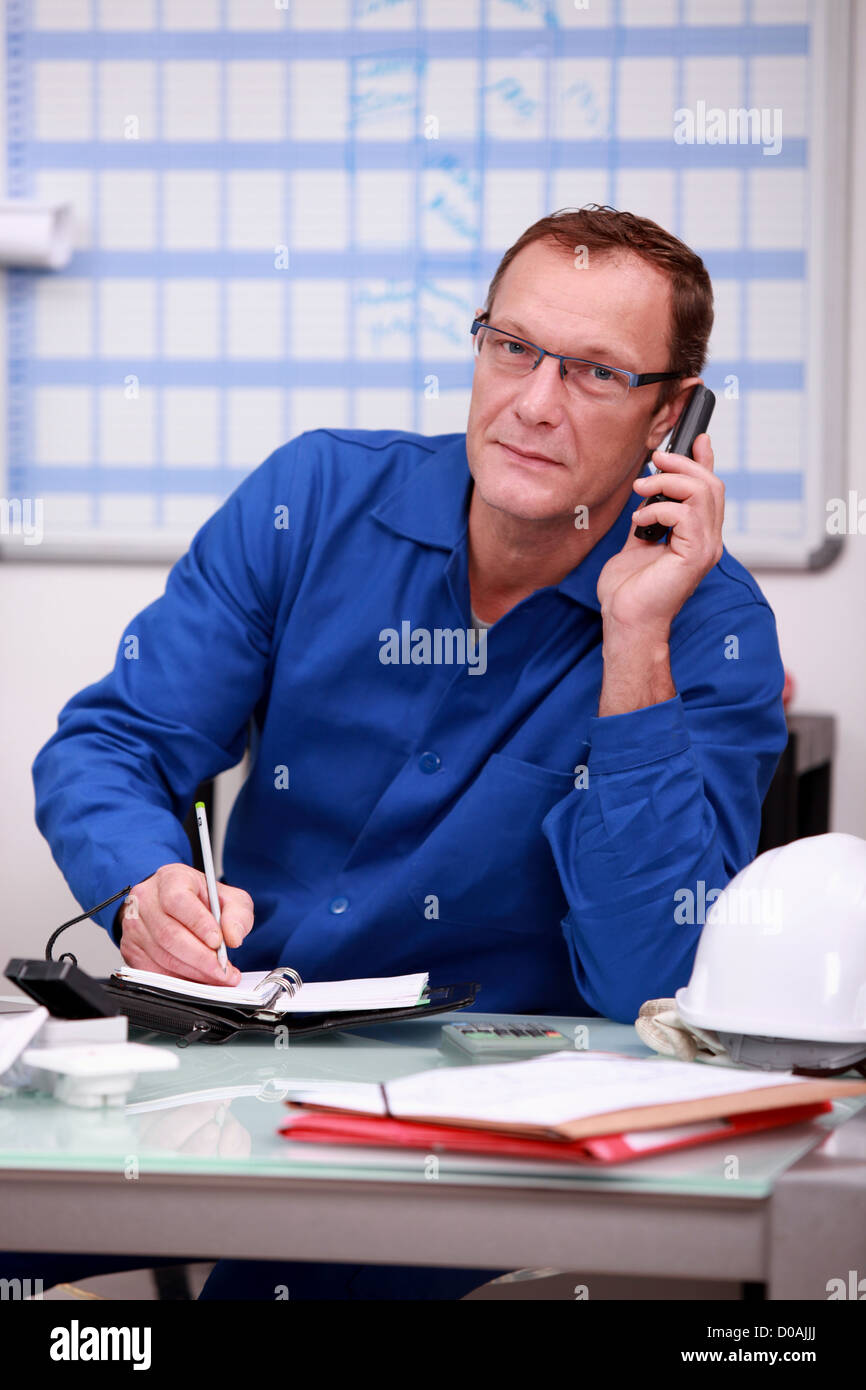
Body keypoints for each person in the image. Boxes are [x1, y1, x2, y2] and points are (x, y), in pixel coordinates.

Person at [29, 205, 788, 1299]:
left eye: (593, 374)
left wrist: (634, 639)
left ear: (671, 417)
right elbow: (112, 743)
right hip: (229, 1058)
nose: (531, 404)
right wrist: (141, 885)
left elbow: (647, 979)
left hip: (485, 1117)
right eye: (513, 348)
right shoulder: (314, 501)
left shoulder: (707, 633)